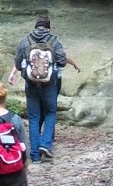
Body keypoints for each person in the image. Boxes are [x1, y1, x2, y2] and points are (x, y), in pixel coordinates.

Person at [8, 13, 79, 164]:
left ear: (35, 27)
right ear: (49, 28)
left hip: (31, 85)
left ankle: (34, 156)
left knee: (33, 118)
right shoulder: (54, 41)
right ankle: (45, 144)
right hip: (49, 85)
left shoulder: (25, 41)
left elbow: (18, 63)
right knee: (50, 113)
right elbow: (61, 61)